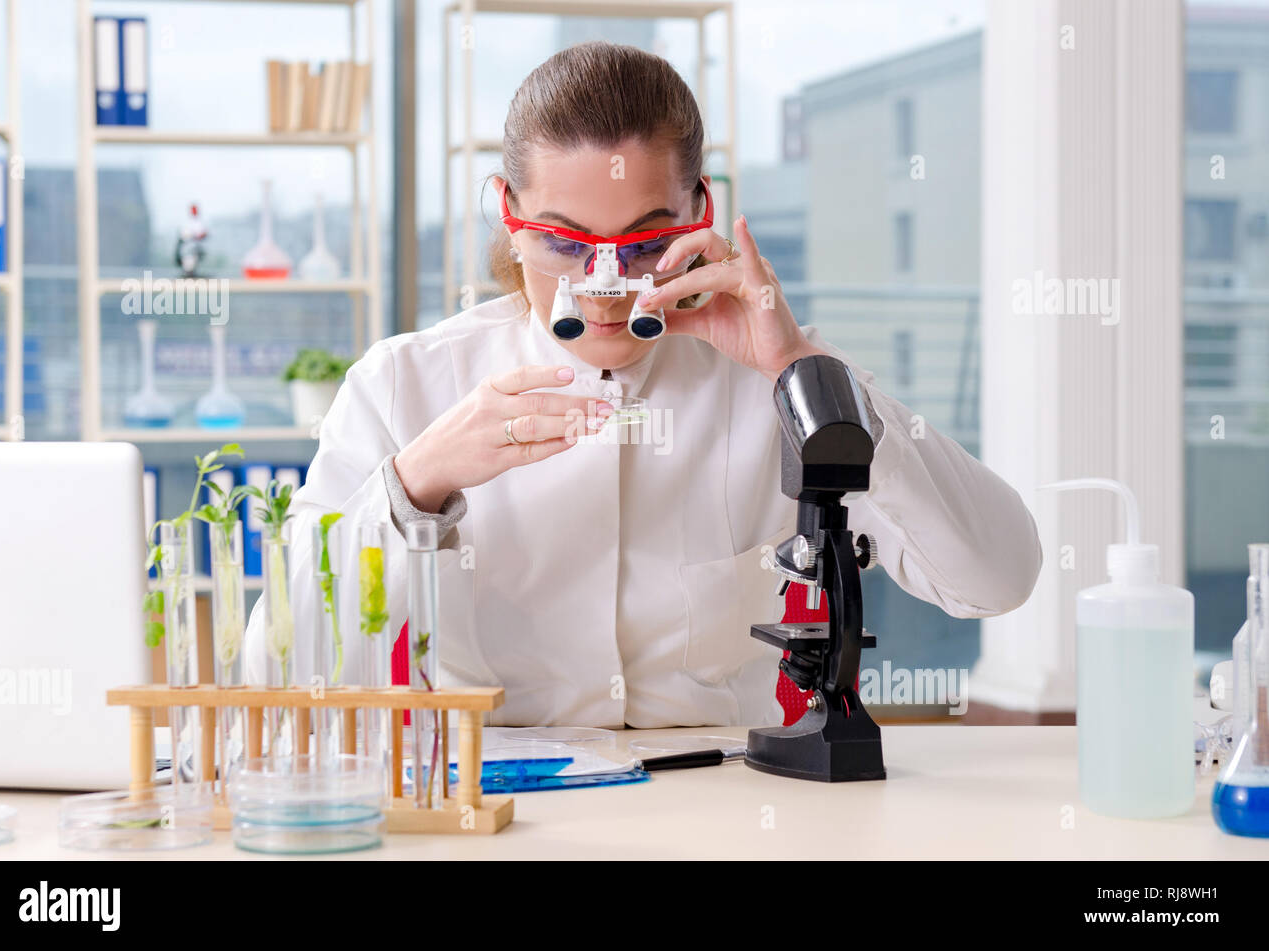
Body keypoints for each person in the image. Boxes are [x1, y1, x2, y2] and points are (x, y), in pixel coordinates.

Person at [242, 41, 1042, 728]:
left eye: (643, 242)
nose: (603, 287)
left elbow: (998, 576)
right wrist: (413, 486)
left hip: (726, 808)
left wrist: (803, 371)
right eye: (564, 243)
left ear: (701, 210)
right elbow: (275, 670)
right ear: (508, 215)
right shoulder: (403, 385)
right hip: (499, 811)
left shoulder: (773, 386)